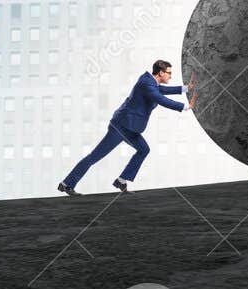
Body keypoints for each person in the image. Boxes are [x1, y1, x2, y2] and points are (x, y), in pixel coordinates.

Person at [57, 59, 195, 195]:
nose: (171, 76)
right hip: (121, 127)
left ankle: (121, 180)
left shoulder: (151, 82)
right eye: (169, 73)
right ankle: (66, 184)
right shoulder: (147, 83)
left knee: (143, 150)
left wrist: (185, 89)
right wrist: (185, 107)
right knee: (95, 156)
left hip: (131, 128)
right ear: (160, 73)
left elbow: (162, 90)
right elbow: (160, 98)